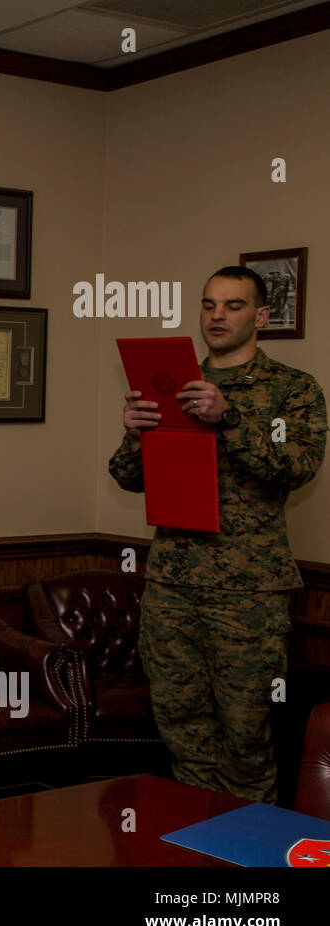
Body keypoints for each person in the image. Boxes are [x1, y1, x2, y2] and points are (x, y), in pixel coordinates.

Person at [109, 265, 326, 802]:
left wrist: (229, 418)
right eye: (209, 305)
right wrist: (135, 438)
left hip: (247, 593)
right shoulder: (173, 381)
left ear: (261, 316)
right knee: (182, 728)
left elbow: (297, 467)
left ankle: (247, 859)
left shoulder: (291, 389)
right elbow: (127, 477)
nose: (217, 316)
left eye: (233, 305)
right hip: (173, 584)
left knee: (246, 733)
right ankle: (198, 844)